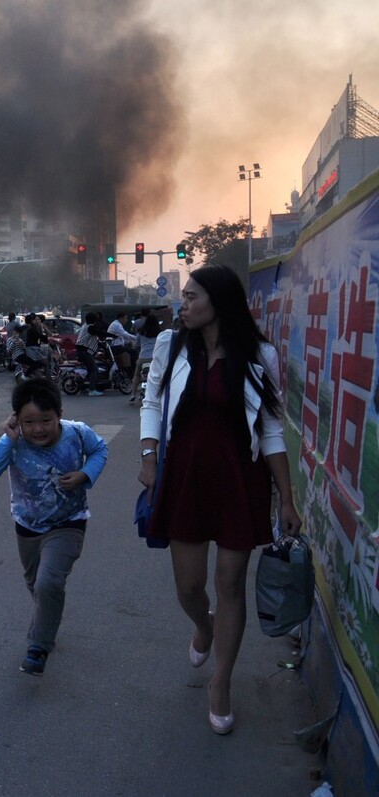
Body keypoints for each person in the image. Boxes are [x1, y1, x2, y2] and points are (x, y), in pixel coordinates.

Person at [138, 264, 302, 736]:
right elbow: (152, 402)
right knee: (189, 587)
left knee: (231, 583)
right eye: (183, 297)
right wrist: (149, 456)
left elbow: (270, 429)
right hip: (184, 478)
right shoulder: (171, 346)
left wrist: (286, 500)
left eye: (191, 297)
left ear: (218, 302)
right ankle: (204, 626)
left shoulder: (259, 355)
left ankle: (221, 682)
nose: (182, 304)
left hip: (239, 481)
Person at [0, 377, 109, 675]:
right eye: (29, 421)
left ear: (59, 414)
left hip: (69, 522)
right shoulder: (14, 443)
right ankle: (47, 623)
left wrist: (85, 474)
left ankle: (38, 648)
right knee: (36, 585)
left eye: (46, 420)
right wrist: (7, 439)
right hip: (27, 525)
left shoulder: (77, 433)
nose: (38, 429)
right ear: (16, 420)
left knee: (49, 582)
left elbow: (100, 450)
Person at [129, 312, 161, 404]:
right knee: (159, 376)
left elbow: (137, 344)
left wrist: (135, 347)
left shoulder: (141, 331)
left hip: (142, 358)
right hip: (155, 359)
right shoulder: (160, 332)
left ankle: (133, 394)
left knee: (136, 376)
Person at [74, 312, 105, 397]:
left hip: (81, 350)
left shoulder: (85, 326)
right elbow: (99, 333)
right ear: (94, 320)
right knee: (94, 369)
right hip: (84, 351)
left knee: (90, 369)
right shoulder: (90, 328)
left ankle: (86, 386)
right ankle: (92, 390)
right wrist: (113, 335)